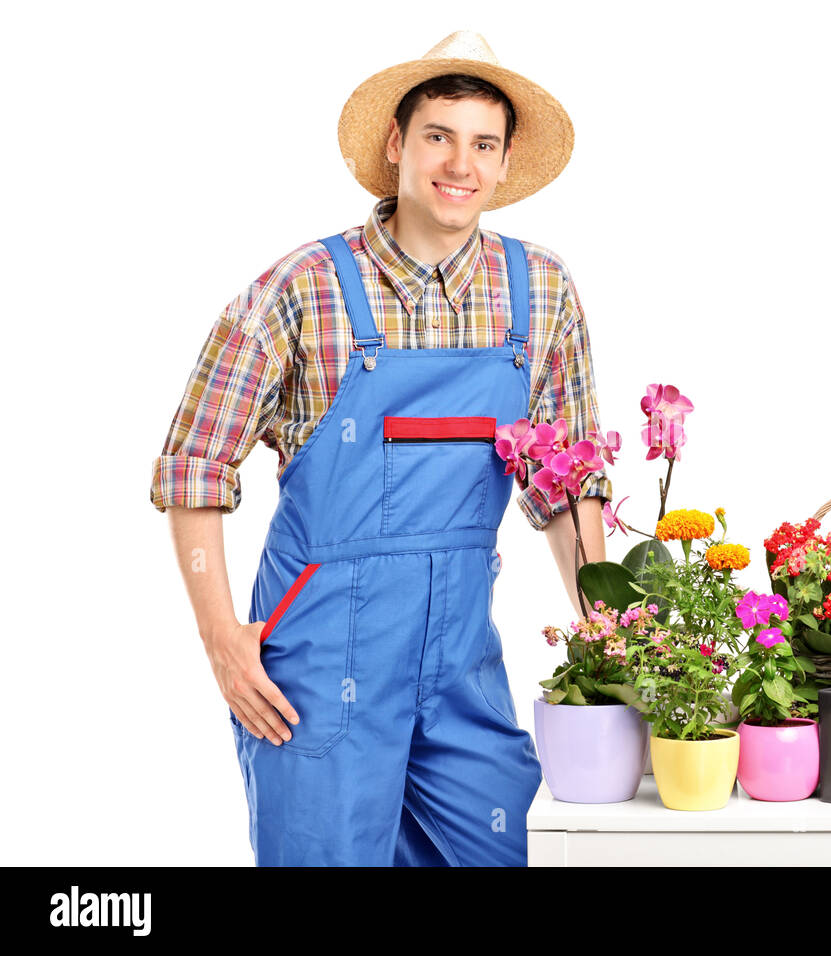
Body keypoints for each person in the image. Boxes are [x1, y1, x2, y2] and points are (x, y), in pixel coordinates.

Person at [149, 31, 612, 866]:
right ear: (397, 144)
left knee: (510, 850)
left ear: (504, 164)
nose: (459, 164)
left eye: (483, 144)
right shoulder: (305, 289)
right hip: (320, 667)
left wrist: (611, 639)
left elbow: (567, 479)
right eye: (438, 135)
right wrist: (222, 639)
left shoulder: (541, 291)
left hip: (465, 663)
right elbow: (195, 465)